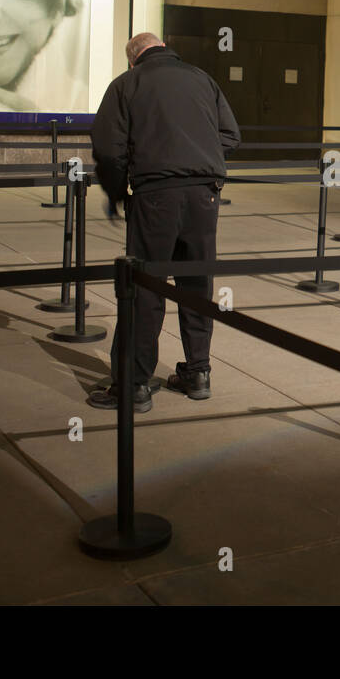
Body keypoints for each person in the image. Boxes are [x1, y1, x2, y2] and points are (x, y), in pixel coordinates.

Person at [89, 33, 241, 411]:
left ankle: (135, 385)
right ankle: (197, 373)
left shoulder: (127, 84)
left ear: (132, 59)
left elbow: (108, 150)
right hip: (205, 197)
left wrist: (117, 192)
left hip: (155, 197)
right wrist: (196, 155)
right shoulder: (202, 78)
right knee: (196, 285)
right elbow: (231, 136)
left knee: (145, 288)